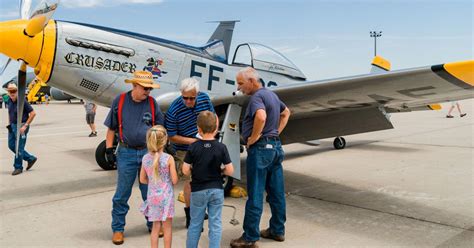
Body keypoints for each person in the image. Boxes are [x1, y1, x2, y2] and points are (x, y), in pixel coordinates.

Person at [230, 67, 291, 248]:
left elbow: (261, 116)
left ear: (252, 81)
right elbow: (286, 113)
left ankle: (249, 237)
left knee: (255, 194)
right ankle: (277, 230)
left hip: (261, 150)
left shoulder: (257, 97)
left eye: (241, 83)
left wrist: (256, 137)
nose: (239, 87)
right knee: (277, 193)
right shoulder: (272, 95)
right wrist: (274, 134)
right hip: (275, 149)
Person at [104, 71, 164, 245]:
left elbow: (160, 128)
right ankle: (118, 229)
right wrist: (109, 149)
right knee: (122, 193)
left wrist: (160, 150)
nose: (148, 92)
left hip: (148, 153)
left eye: (150, 89)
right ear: (134, 86)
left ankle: (152, 223)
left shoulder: (152, 103)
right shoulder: (120, 101)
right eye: (145, 88)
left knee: (150, 192)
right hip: (126, 153)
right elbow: (111, 128)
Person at [165, 77, 215, 228]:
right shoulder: (174, 109)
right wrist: (194, 141)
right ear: (181, 93)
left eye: (192, 98)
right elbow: (172, 135)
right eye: (185, 97)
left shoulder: (205, 99)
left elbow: (213, 118)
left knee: (204, 180)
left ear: (197, 94)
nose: (188, 101)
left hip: (204, 145)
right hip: (184, 150)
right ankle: (190, 214)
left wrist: (212, 134)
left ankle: (200, 210)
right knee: (190, 182)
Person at [182, 111, 234, 248]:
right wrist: (221, 170)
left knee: (195, 224)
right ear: (216, 128)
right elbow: (230, 170)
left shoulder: (193, 147)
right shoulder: (221, 147)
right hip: (216, 189)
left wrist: (194, 169)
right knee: (215, 223)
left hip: (198, 190)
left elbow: (185, 170)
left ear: (198, 128)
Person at [140, 125, 178, 248]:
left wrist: (152, 182)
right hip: (166, 198)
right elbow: (175, 180)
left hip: (152, 198)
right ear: (165, 140)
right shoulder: (169, 158)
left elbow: (142, 179)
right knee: (167, 228)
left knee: (155, 227)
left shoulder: (145, 158)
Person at [5, 83, 38, 176]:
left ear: (17, 91)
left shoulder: (22, 101)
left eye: (14, 91)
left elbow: (33, 113)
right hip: (12, 126)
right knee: (11, 145)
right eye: (10, 91)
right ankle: (30, 158)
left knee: (19, 147)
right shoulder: (9, 101)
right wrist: (9, 124)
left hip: (22, 126)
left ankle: (18, 167)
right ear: (8, 92)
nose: (12, 93)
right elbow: (10, 113)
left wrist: (25, 126)